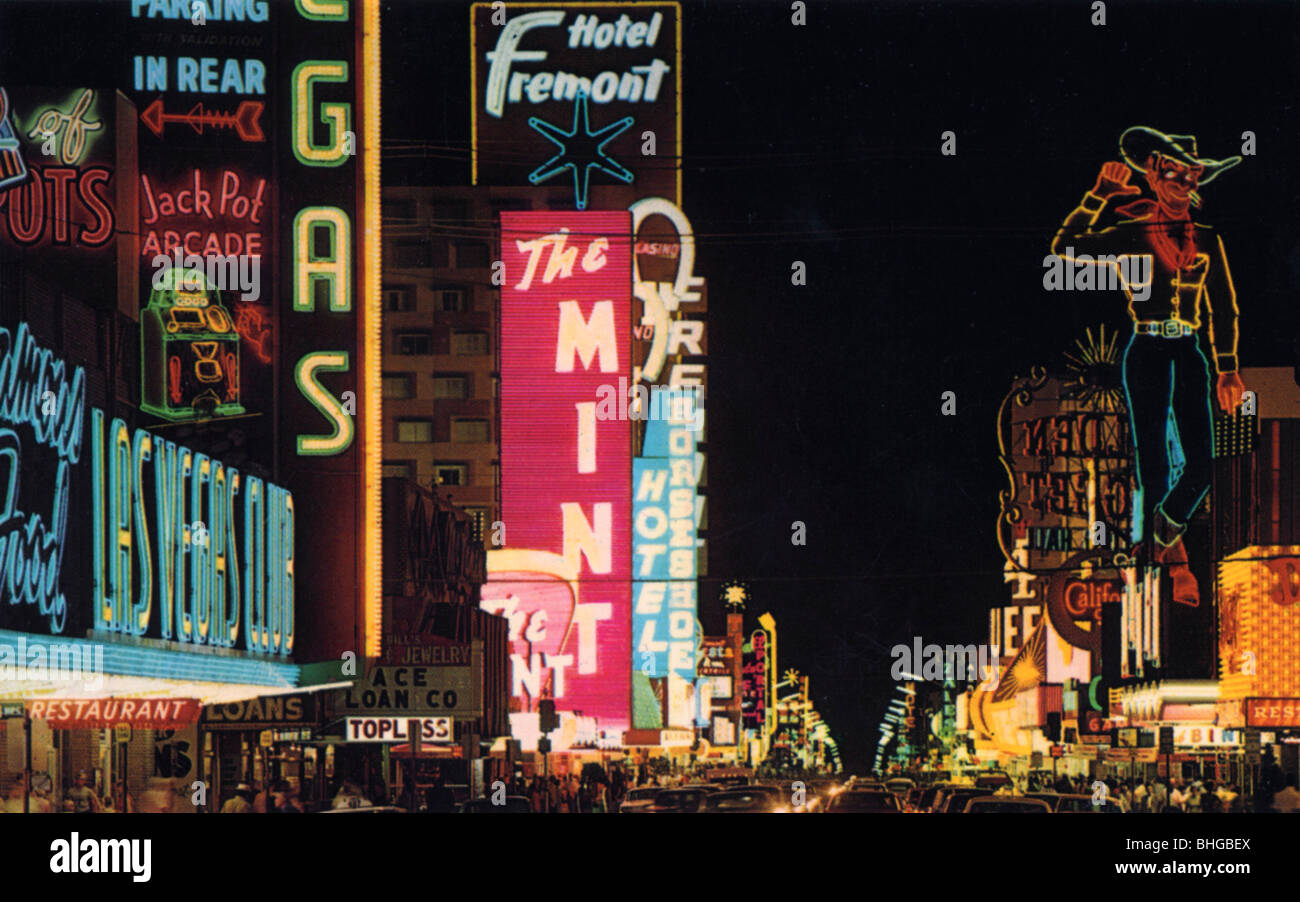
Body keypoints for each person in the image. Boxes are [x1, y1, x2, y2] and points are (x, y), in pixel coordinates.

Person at [1050, 127, 1246, 607]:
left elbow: (1222, 304)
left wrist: (1227, 367)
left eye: (1190, 174)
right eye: (1171, 172)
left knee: (1201, 466)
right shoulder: (1133, 233)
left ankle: (1156, 545)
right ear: (1154, 177)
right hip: (1147, 350)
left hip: (1190, 351)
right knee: (1153, 466)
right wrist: (1097, 196)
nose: (1182, 182)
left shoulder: (1208, 237)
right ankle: (1165, 570)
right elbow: (1067, 249)